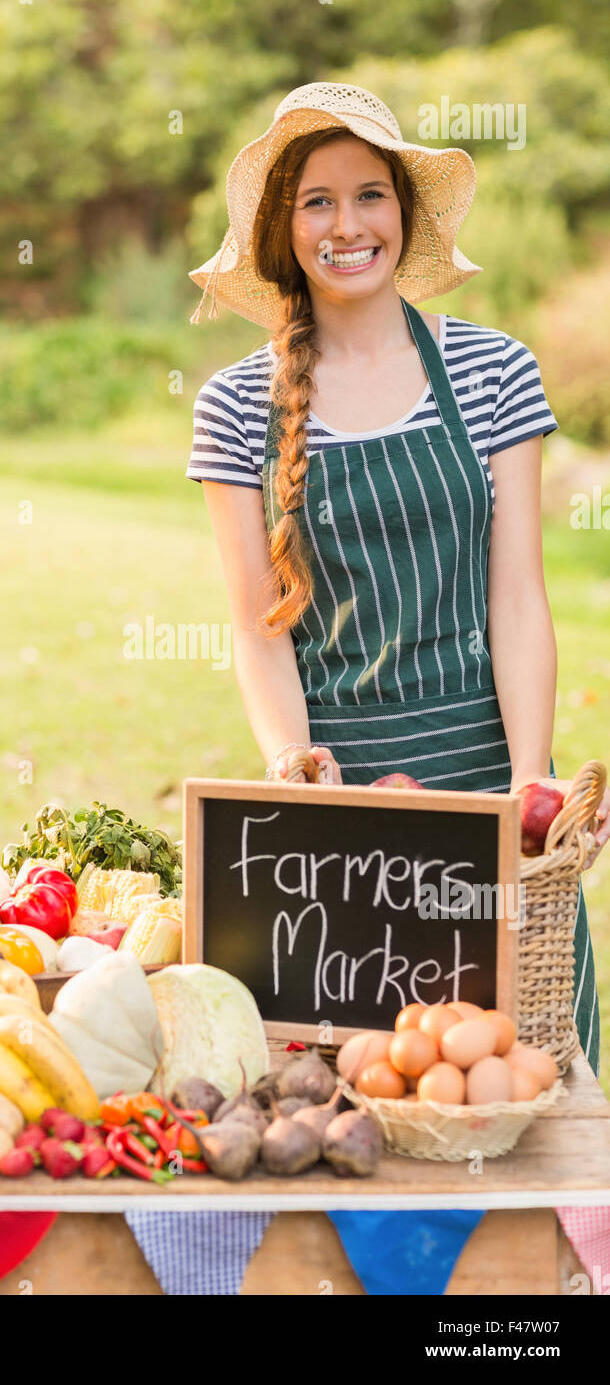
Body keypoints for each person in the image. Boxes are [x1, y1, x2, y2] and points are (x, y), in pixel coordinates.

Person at [141, 81, 610, 1297]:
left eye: (367, 195)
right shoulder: (235, 404)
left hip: (479, 783)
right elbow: (257, 629)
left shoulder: (491, 371)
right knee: (352, 1116)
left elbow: (517, 599)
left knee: (521, 1104)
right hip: (337, 818)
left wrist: (527, 786)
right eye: (315, 202)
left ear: (403, 213)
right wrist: (289, 766)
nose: (345, 224)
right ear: (280, 231)